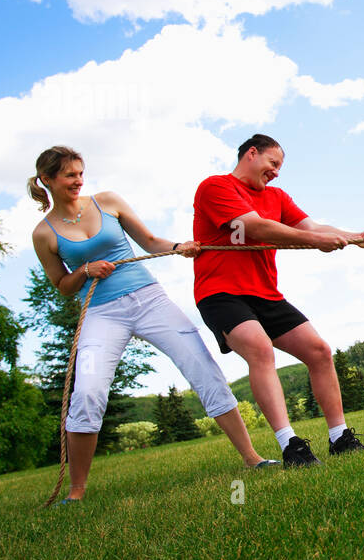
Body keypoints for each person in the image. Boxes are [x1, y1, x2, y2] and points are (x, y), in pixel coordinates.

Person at [30, 146, 277, 504]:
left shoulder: (107, 201)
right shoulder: (43, 233)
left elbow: (148, 241)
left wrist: (179, 246)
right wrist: (84, 270)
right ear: (48, 180)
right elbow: (62, 286)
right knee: (87, 392)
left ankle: (252, 458)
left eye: (81, 173)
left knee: (200, 366)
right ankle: (77, 490)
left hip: (149, 299)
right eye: (69, 175)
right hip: (102, 313)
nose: (78, 180)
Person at [192, 134, 364, 466]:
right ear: (251, 154)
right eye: (273, 163)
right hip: (221, 292)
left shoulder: (277, 196)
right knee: (260, 348)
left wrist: (356, 237)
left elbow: (313, 226)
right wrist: (314, 241)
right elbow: (255, 228)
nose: (277, 173)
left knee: (319, 351)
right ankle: (291, 446)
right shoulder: (215, 187)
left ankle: (339, 438)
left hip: (265, 293)